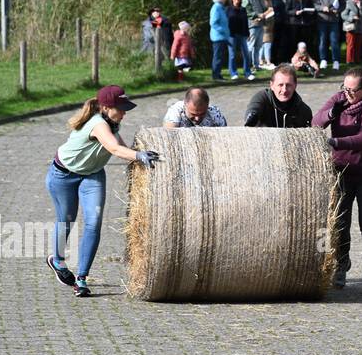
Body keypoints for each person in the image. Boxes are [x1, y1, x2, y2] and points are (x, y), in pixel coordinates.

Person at [45, 86, 158, 297]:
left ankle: (81, 279)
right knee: (66, 219)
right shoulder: (97, 124)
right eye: (121, 109)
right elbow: (114, 149)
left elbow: (122, 148)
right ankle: (57, 261)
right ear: (106, 107)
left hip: (92, 175)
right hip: (63, 175)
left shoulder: (112, 124)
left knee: (93, 222)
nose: (124, 113)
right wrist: (139, 155)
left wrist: (138, 155)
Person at [315, 67, 362, 296]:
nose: (347, 94)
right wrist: (331, 114)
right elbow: (315, 122)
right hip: (341, 172)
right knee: (339, 224)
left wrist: (334, 142)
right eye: (344, 88)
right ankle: (340, 266)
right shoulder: (339, 99)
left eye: (353, 90)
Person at [243, 64, 313, 127]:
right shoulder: (261, 98)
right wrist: (251, 117)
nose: (284, 90)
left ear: (295, 85)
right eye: (280, 85)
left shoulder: (304, 111)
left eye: (288, 85)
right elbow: (253, 110)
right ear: (272, 85)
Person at [314, 0, 344, 70]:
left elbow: (343, 4)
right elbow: (315, 5)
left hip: (333, 21)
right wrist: (322, 8)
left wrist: (338, 10)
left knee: (334, 41)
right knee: (322, 41)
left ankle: (336, 61)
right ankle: (323, 60)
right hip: (322, 20)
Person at [163, 87, 227, 128]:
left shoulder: (215, 113)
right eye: (193, 114)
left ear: (207, 106)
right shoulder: (175, 112)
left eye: (202, 114)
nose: (197, 118)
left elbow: (224, 137)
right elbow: (169, 137)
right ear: (185, 104)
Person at [226, 0, 254, 81]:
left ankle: (247, 72)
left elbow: (246, 22)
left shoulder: (243, 9)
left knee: (246, 53)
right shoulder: (228, 9)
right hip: (231, 35)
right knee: (232, 54)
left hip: (242, 34)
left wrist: (248, 33)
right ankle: (233, 73)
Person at [342, 0, 362, 65]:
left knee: (358, 45)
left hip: (360, 28)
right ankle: (349, 60)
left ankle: (357, 60)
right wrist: (352, 18)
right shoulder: (348, 3)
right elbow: (343, 15)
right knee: (351, 45)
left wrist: (360, 7)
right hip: (351, 27)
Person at [209, 0, 230, 81]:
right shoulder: (216, 8)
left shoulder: (220, 8)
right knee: (217, 56)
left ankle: (218, 74)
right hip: (218, 37)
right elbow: (213, 22)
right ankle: (216, 75)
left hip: (222, 37)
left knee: (220, 56)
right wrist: (223, 31)